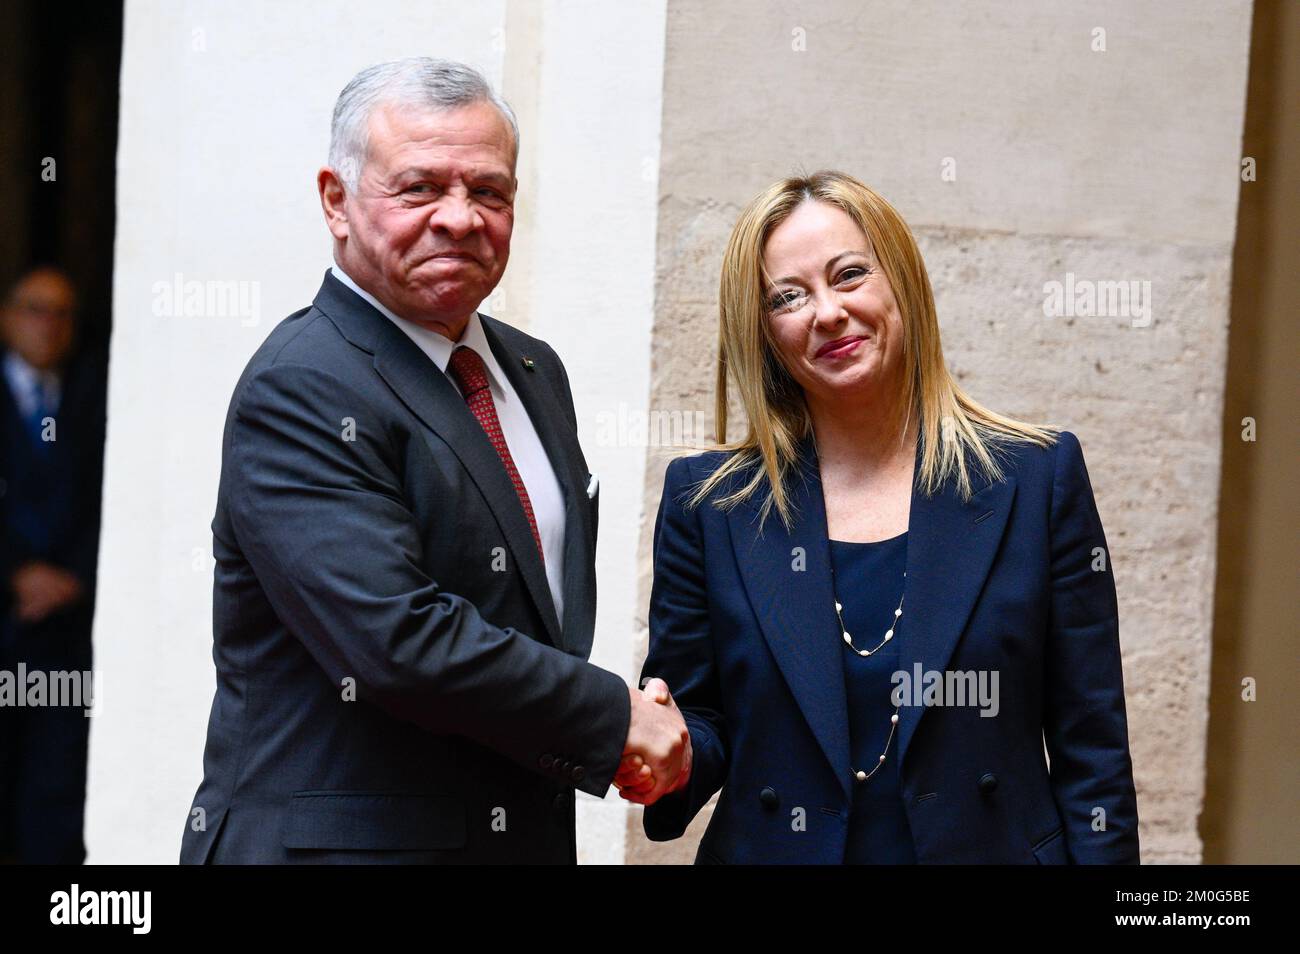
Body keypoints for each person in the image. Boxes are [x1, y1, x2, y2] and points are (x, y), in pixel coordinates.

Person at [180, 57, 689, 864]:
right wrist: (614, 717)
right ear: (335, 201)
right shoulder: (304, 383)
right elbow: (397, 639)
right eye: (418, 188)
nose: (459, 218)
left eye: (488, 192)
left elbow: (527, 615)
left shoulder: (529, 371)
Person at [624, 171, 1140, 864]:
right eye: (789, 297)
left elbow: (1092, 749)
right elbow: (702, 723)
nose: (828, 312)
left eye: (850, 275)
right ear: (765, 336)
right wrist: (671, 755)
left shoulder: (1034, 478)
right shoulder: (710, 503)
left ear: (901, 282)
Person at [0, 266, 106, 864]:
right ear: (6, 316)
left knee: (55, 791)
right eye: (36, 309)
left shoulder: (97, 395)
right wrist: (15, 573)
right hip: (6, 611)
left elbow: (115, 496)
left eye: (63, 313)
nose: (50, 325)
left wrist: (77, 578)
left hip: (67, 633)